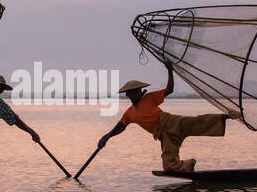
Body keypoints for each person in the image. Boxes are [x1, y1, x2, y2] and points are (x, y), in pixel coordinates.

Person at [94, 60, 231, 172]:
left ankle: (224, 117)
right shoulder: (130, 112)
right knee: (169, 166)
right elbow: (120, 127)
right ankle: (189, 165)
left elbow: (169, 90)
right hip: (163, 134)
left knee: (197, 123)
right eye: (129, 93)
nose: (131, 95)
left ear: (139, 91)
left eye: (134, 92)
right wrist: (106, 137)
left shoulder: (149, 98)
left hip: (172, 122)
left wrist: (170, 70)